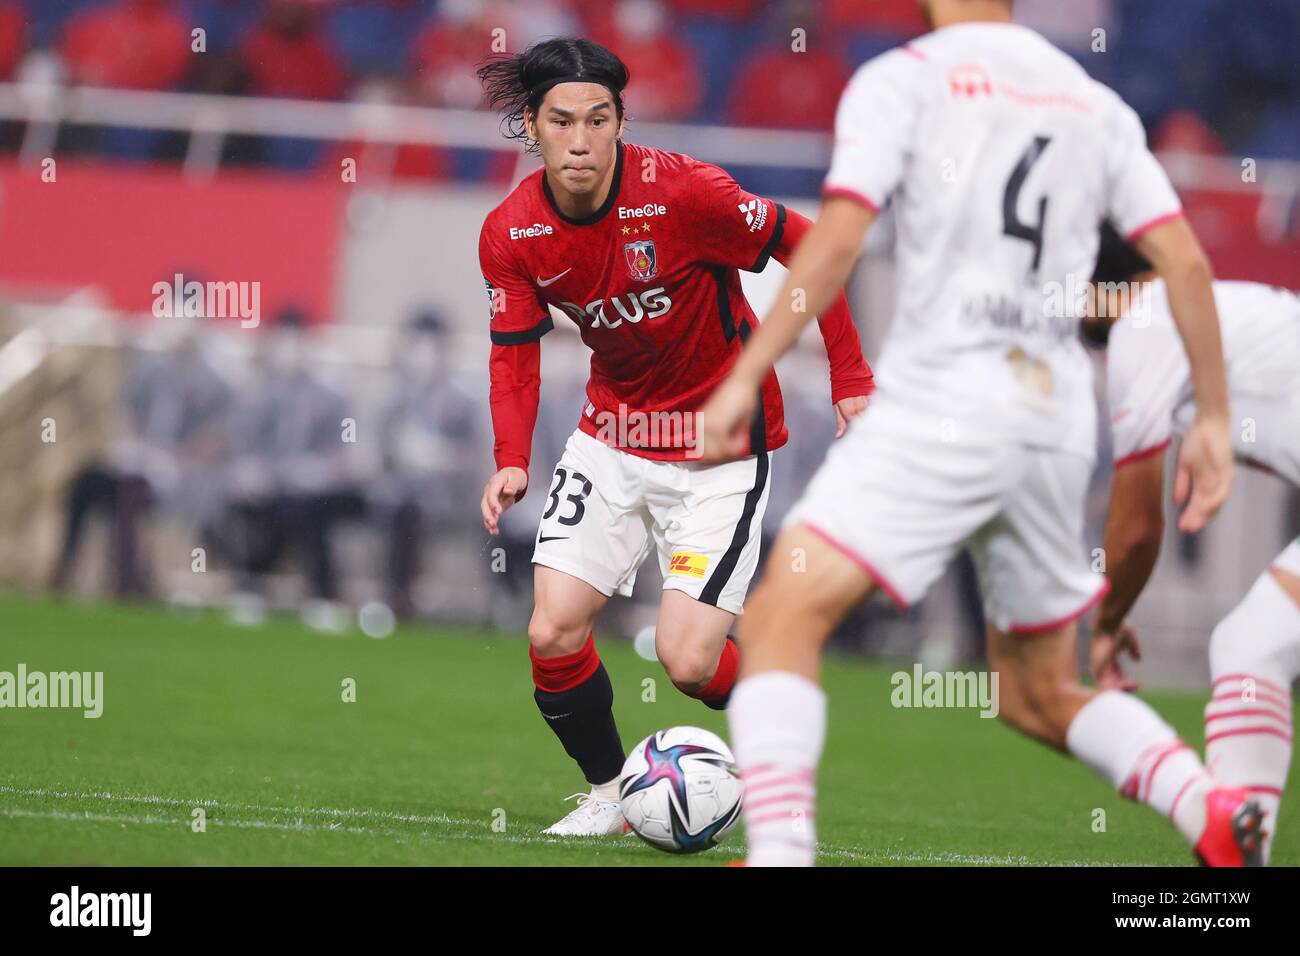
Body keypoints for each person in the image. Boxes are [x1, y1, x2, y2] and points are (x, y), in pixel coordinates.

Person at [699, 0, 1251, 866]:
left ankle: (780, 856)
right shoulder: (1088, 97)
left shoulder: (902, 80)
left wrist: (744, 372)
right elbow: (1182, 258)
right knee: (1034, 693)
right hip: (1054, 417)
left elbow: (840, 234)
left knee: (778, 621)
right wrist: (1213, 419)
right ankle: (1209, 806)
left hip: (945, 401)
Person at [476, 37, 875, 835]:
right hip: (612, 436)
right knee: (552, 629)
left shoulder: (688, 193)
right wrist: (511, 462)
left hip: (718, 450)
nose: (581, 139)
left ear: (622, 121)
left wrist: (852, 378)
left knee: (687, 661)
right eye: (561, 121)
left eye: (599, 119)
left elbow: (816, 247)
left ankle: (778, 719)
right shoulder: (511, 234)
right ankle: (607, 796)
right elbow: (513, 357)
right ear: (531, 124)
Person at [1085, 226, 1300, 864]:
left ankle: (1232, 873)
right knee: (1252, 644)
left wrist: (1108, 621)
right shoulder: (1208, 311)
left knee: (1249, 646)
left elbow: (1136, 523)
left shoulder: (1144, 324)